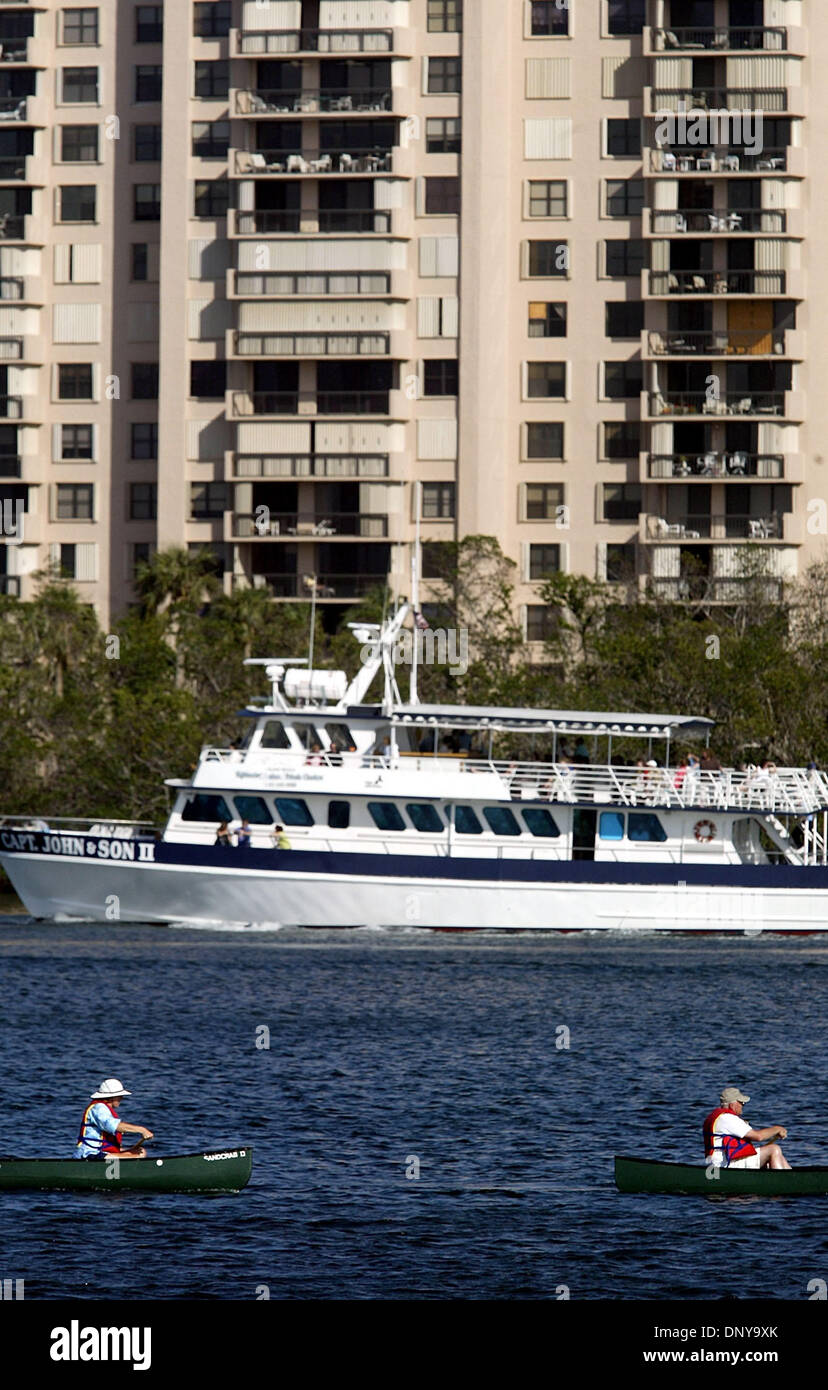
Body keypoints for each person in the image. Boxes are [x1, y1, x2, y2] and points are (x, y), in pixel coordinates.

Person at [703, 1086, 791, 1171]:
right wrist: (777, 1129)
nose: (742, 1106)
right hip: (727, 1164)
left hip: (722, 1163)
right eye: (741, 1103)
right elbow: (758, 1136)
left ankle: (790, 1177)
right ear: (732, 1105)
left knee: (777, 1156)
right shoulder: (728, 1118)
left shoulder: (718, 1117)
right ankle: (781, 1182)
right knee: (774, 1149)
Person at [75, 1078, 153, 1160]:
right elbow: (113, 1125)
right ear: (111, 1097)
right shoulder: (99, 1108)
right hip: (90, 1154)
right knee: (139, 1155)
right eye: (119, 1096)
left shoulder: (104, 1108)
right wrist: (142, 1130)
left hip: (101, 1152)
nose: (122, 1098)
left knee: (140, 1151)